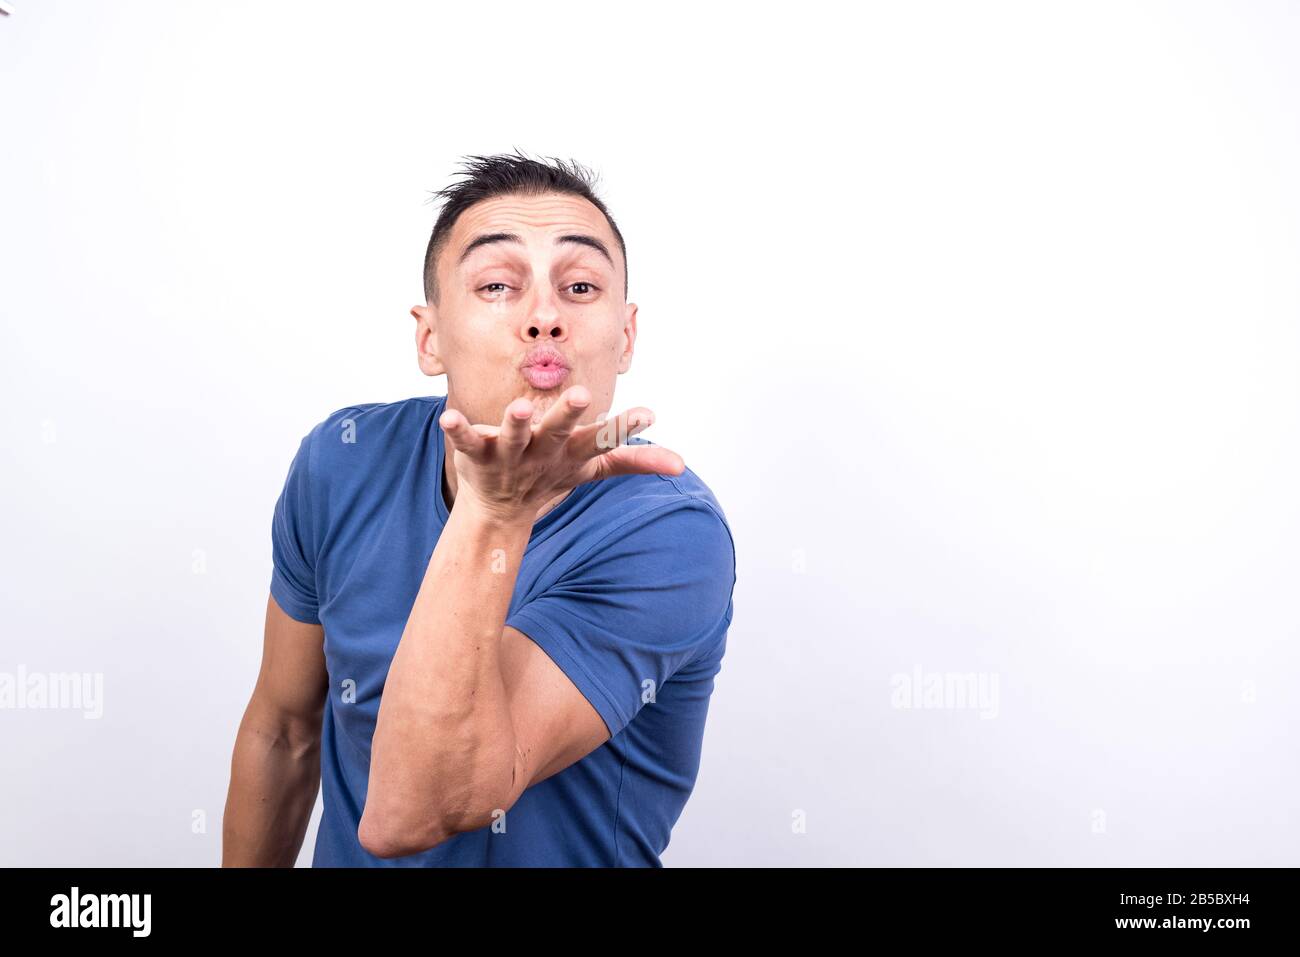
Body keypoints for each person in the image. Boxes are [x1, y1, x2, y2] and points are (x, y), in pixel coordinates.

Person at [222, 151, 737, 867]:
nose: (544, 317)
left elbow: (414, 811)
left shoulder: (671, 532)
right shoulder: (339, 462)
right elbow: (282, 729)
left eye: (580, 286)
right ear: (429, 338)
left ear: (625, 336)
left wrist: (495, 512)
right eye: (497, 285)